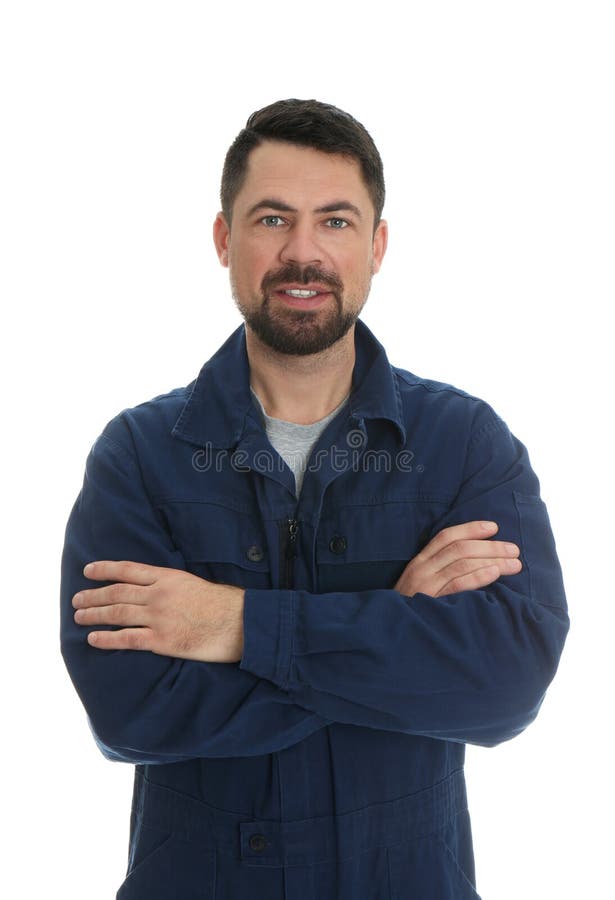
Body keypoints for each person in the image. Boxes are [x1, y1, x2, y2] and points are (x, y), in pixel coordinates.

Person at [60, 98, 569, 900]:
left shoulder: (464, 443)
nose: (303, 254)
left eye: (334, 222)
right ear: (224, 239)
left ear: (377, 245)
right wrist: (392, 627)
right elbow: (131, 713)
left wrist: (234, 625)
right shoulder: (139, 455)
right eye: (271, 219)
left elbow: (504, 689)